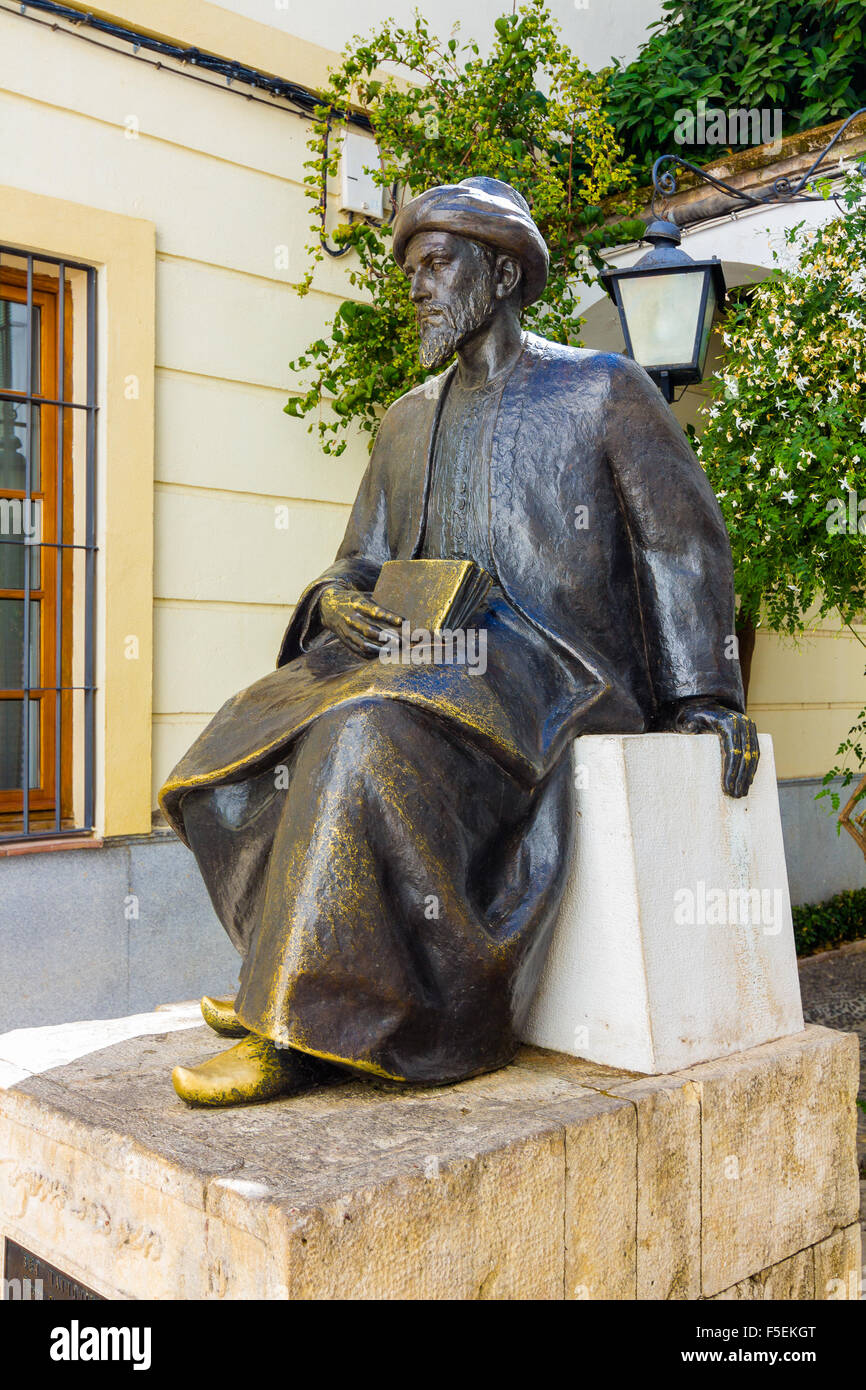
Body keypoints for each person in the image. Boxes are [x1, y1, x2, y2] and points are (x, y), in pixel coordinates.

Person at [159, 177, 758, 1106]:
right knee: (246, 732)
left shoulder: (601, 390)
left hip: (558, 670)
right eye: (410, 271)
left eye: (436, 264)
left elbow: (682, 544)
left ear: (502, 269)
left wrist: (706, 695)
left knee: (363, 731)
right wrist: (334, 604)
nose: (419, 287)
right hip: (422, 657)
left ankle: (302, 1026)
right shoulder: (405, 418)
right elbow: (352, 563)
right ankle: (297, 968)